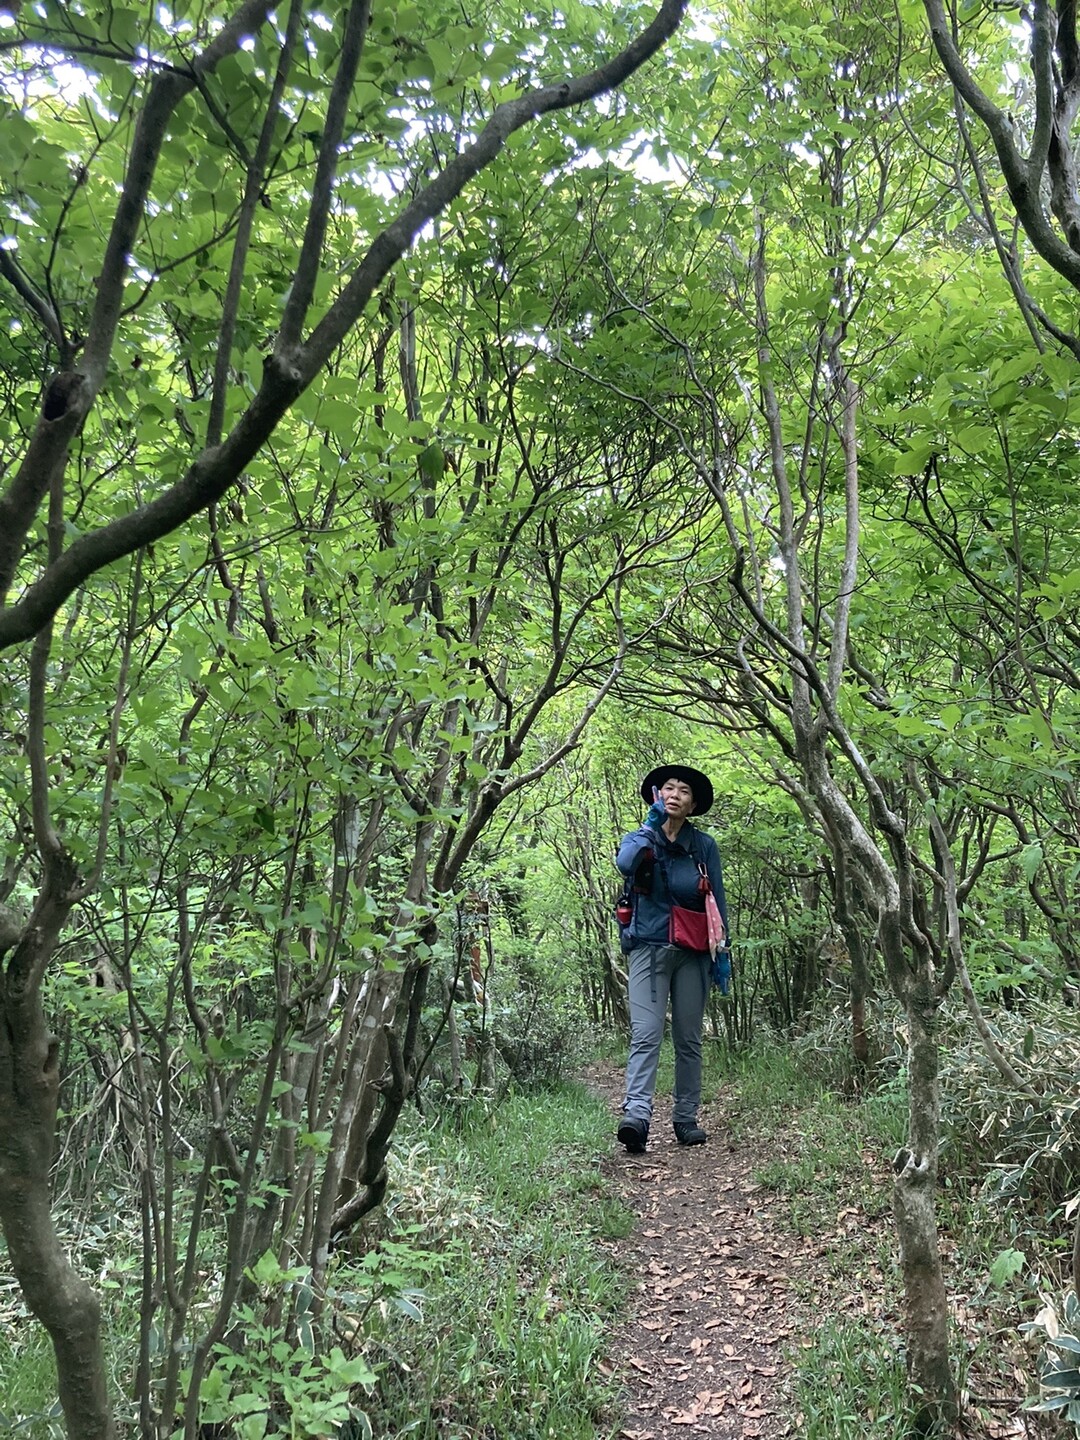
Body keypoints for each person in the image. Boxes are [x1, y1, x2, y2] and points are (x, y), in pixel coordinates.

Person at [615, 763, 728, 1153]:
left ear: (693, 803)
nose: (675, 794)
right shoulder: (640, 837)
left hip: (693, 953)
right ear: (656, 795)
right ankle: (637, 1116)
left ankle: (685, 1118)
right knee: (646, 1035)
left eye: (683, 790)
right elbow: (625, 865)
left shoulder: (703, 846)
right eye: (668, 788)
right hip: (647, 947)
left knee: (688, 1038)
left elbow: (717, 901)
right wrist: (650, 827)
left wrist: (721, 954)